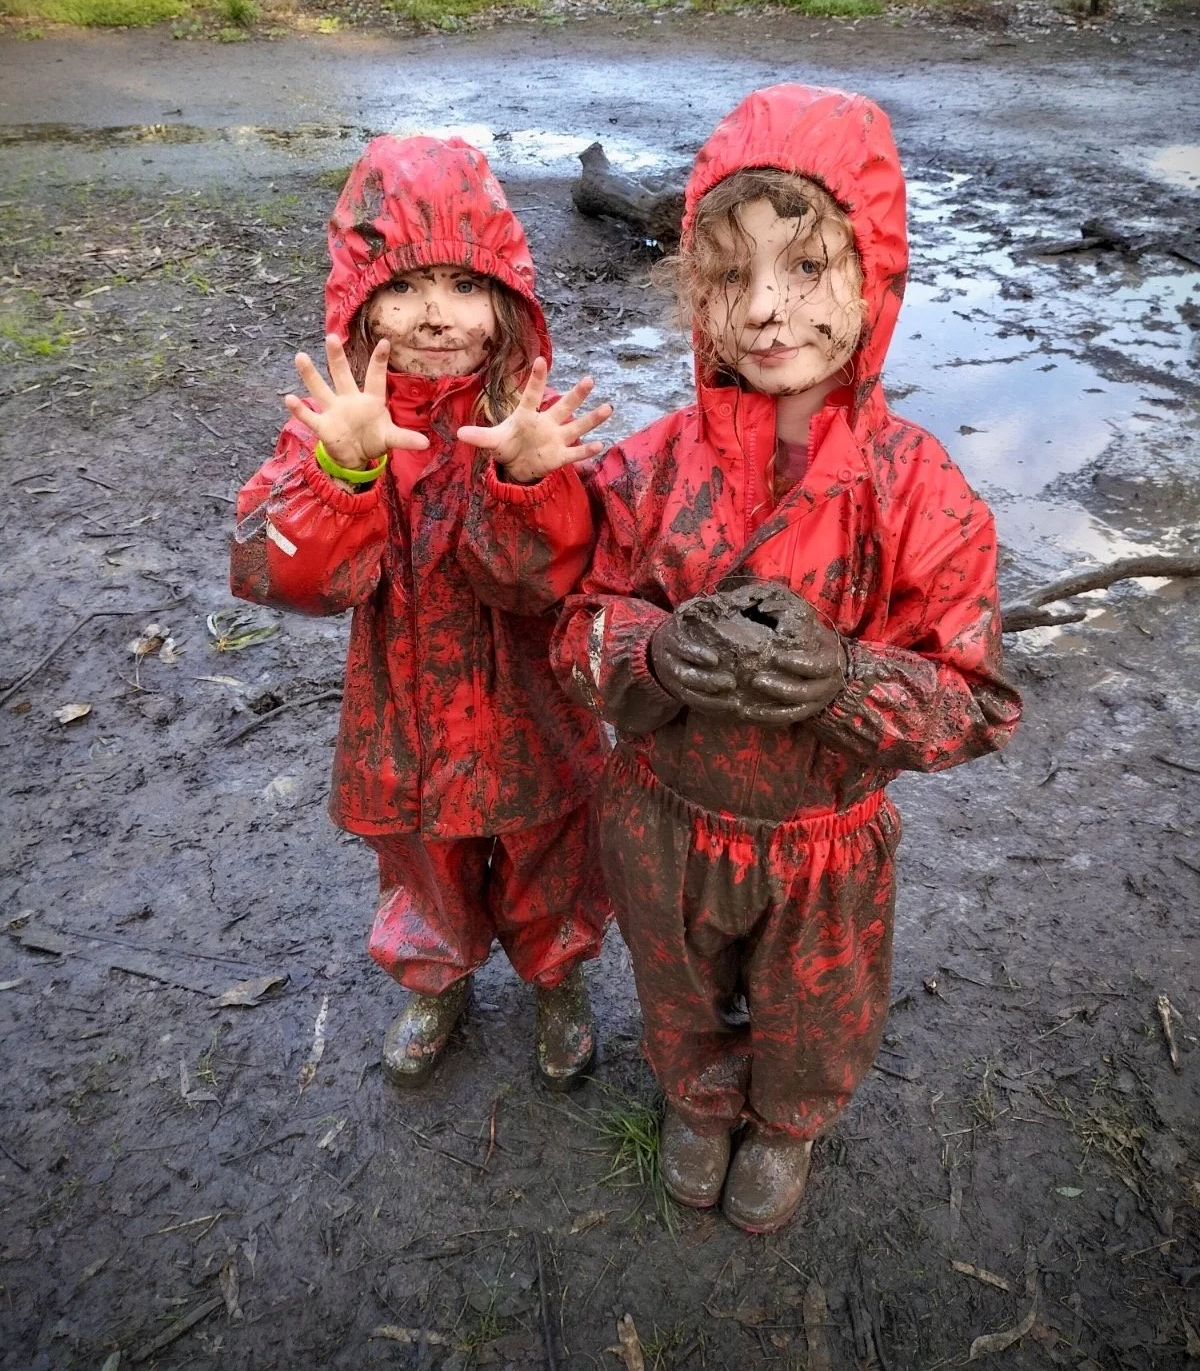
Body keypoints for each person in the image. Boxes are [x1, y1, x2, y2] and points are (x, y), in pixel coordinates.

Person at [552, 84, 1022, 1232]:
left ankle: (786, 1120)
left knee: (819, 1003)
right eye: (729, 275)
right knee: (675, 981)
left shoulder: (920, 494)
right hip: (663, 812)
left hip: (824, 842)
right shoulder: (649, 468)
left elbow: (978, 701)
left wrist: (848, 684)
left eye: (806, 267)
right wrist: (650, 651)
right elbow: (570, 622)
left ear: (876, 282)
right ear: (695, 296)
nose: (767, 308)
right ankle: (704, 1100)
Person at [231, 134, 613, 1091]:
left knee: (548, 852)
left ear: (507, 301)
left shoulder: (533, 414)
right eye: (402, 288)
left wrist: (530, 482)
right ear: (359, 305)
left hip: (532, 706)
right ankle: (439, 976)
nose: (435, 314)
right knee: (423, 857)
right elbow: (284, 575)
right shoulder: (335, 423)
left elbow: (549, 578)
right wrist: (342, 471)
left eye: (463, 284)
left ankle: (555, 976)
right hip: (401, 711)